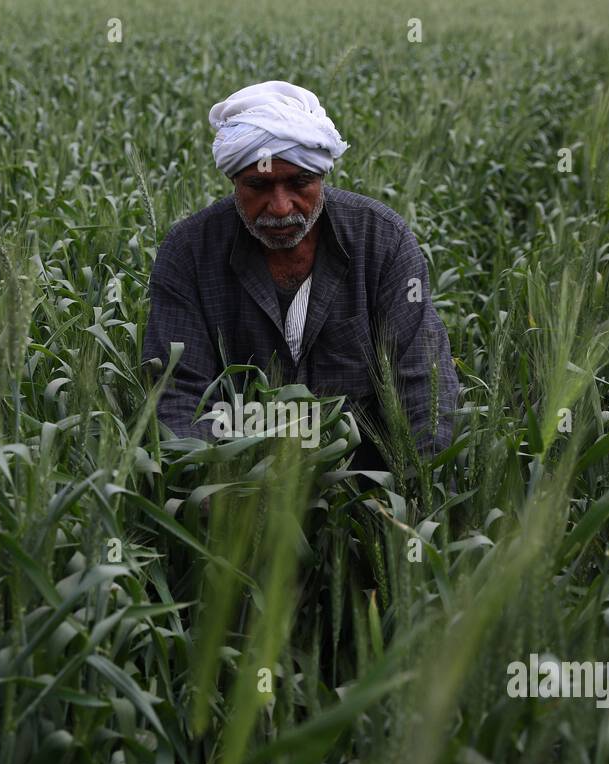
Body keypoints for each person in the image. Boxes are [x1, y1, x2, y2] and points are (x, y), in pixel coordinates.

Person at [141, 80, 459, 472]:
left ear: (321, 177)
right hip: (237, 481)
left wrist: (418, 495)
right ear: (234, 182)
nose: (279, 206)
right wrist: (215, 498)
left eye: (299, 183)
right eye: (258, 185)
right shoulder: (190, 252)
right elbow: (176, 394)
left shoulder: (382, 241)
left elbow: (422, 386)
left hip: (366, 487)